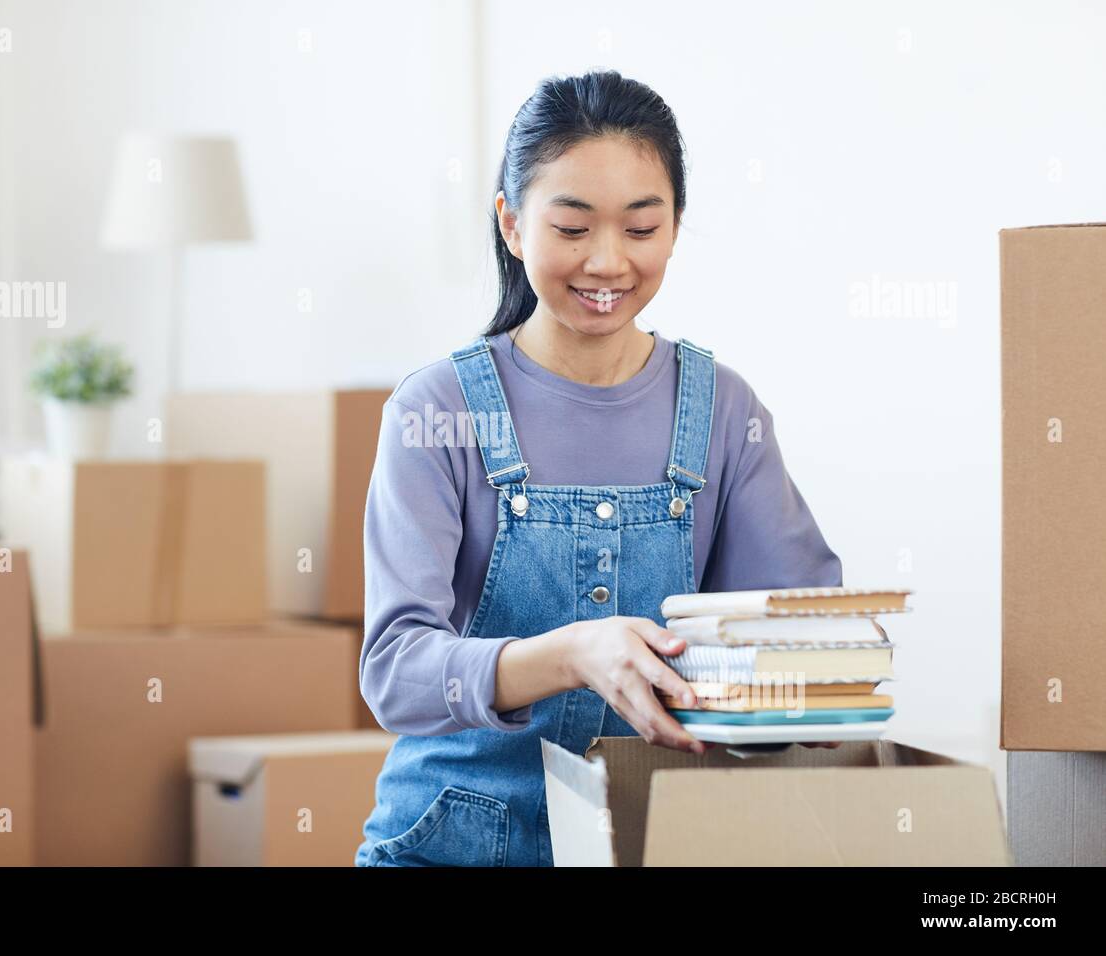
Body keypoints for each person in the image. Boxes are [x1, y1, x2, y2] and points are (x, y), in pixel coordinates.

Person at [354, 70, 843, 868]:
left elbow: (798, 630)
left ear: (677, 227)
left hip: (651, 837)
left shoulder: (722, 409)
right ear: (512, 224)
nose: (608, 262)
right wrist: (573, 654)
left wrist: (810, 681)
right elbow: (397, 673)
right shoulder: (435, 408)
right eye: (573, 229)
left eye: (641, 229)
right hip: (454, 844)